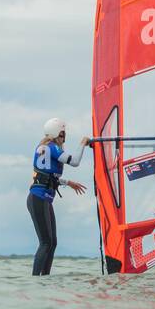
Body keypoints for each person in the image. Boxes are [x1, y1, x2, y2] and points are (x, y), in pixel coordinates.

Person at [28, 117, 89, 275]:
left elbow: (47, 176)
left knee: (52, 242)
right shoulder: (53, 148)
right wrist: (83, 143)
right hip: (38, 199)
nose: (64, 138)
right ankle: (36, 280)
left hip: (43, 199)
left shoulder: (44, 147)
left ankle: (45, 279)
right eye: (62, 134)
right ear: (56, 134)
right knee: (46, 242)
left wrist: (68, 182)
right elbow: (74, 161)